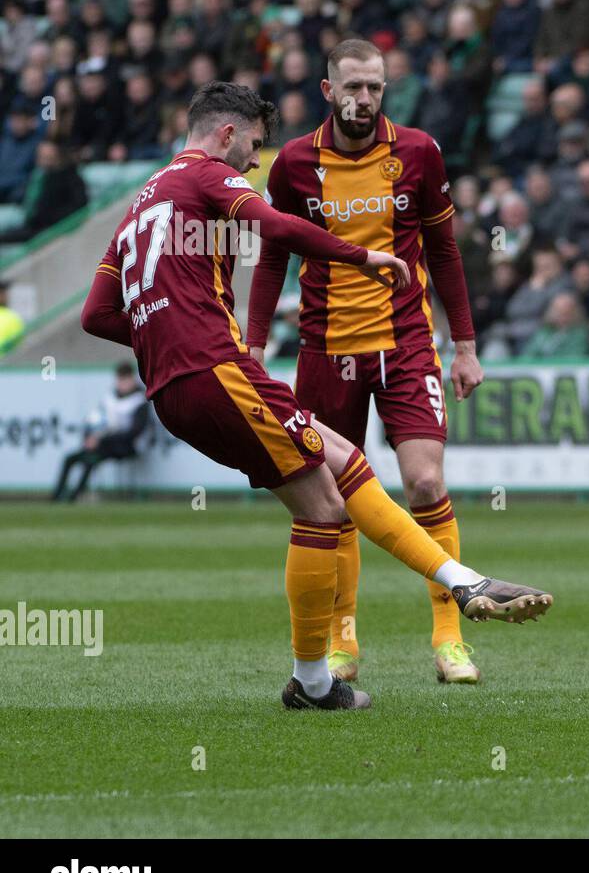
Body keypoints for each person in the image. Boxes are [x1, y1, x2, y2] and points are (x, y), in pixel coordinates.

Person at [81, 81, 552, 712]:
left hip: (174, 388)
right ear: (225, 134)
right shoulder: (203, 175)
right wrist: (361, 256)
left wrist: (160, 334)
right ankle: (460, 584)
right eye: (252, 146)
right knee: (342, 473)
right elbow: (277, 227)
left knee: (327, 499)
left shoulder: (140, 204)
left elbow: (95, 314)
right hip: (215, 372)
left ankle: (318, 681)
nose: (254, 162)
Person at [247, 40, 488, 687]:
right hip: (325, 347)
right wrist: (252, 341)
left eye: (374, 88)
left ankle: (449, 638)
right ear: (328, 91)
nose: (363, 100)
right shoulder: (294, 163)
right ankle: (344, 642)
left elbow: (444, 249)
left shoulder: (418, 152)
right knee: (334, 497)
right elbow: (274, 256)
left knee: (425, 485)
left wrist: (463, 345)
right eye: (352, 88)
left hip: (406, 340)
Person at [51, 362, 150, 502]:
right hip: (102, 444)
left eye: (125, 380)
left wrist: (101, 440)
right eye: (120, 379)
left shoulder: (140, 401)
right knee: (70, 458)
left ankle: (74, 497)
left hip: (125, 446)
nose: (122, 383)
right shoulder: (109, 399)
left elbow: (134, 432)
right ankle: (55, 497)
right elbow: (94, 420)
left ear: (132, 379)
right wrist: (89, 436)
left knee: (91, 459)